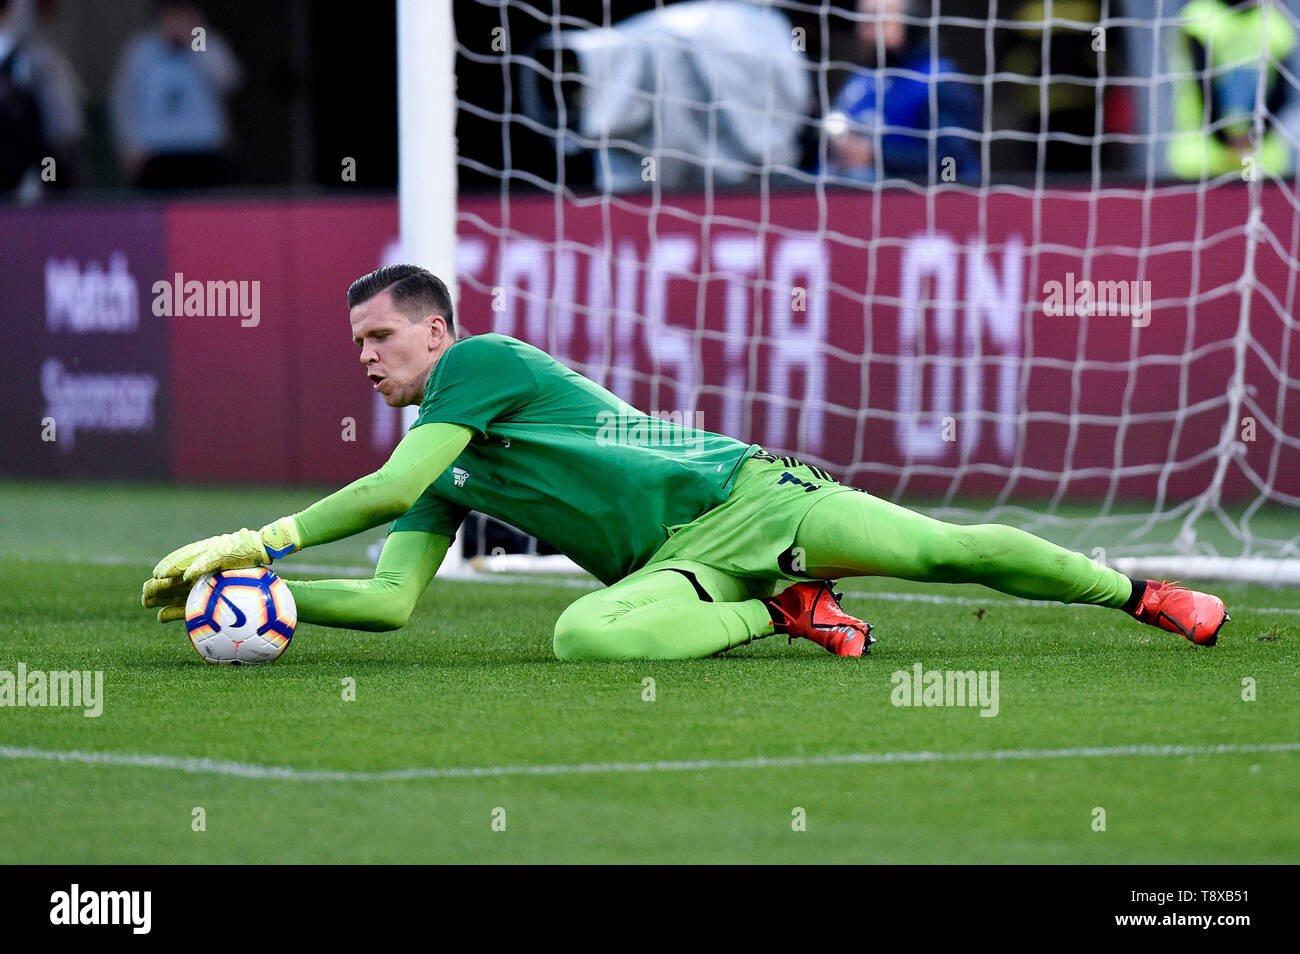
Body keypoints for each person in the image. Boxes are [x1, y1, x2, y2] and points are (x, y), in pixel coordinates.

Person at [142, 265, 1229, 660]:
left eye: (380, 340)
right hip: (681, 563)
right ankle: (780, 610)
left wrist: (249, 539)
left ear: (434, 333)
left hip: (745, 493)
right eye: (356, 348)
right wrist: (268, 594)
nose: (366, 362)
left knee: (943, 554)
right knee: (582, 639)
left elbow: (379, 492)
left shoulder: (478, 362)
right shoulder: (444, 459)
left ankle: (1142, 594)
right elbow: (388, 604)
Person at [823, 0, 980, 184]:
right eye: (861, 22)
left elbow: (950, 159)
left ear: (910, 23)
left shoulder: (940, 80)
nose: (865, 32)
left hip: (916, 200)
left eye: (877, 21)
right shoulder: (859, 81)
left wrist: (874, 156)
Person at [109, 0, 242, 189]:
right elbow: (124, 102)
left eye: (182, 13)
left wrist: (194, 39)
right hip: (157, 152)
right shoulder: (141, 50)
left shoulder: (203, 43)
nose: (176, 21)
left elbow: (228, 80)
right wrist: (129, 145)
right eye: (172, 14)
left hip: (204, 149)